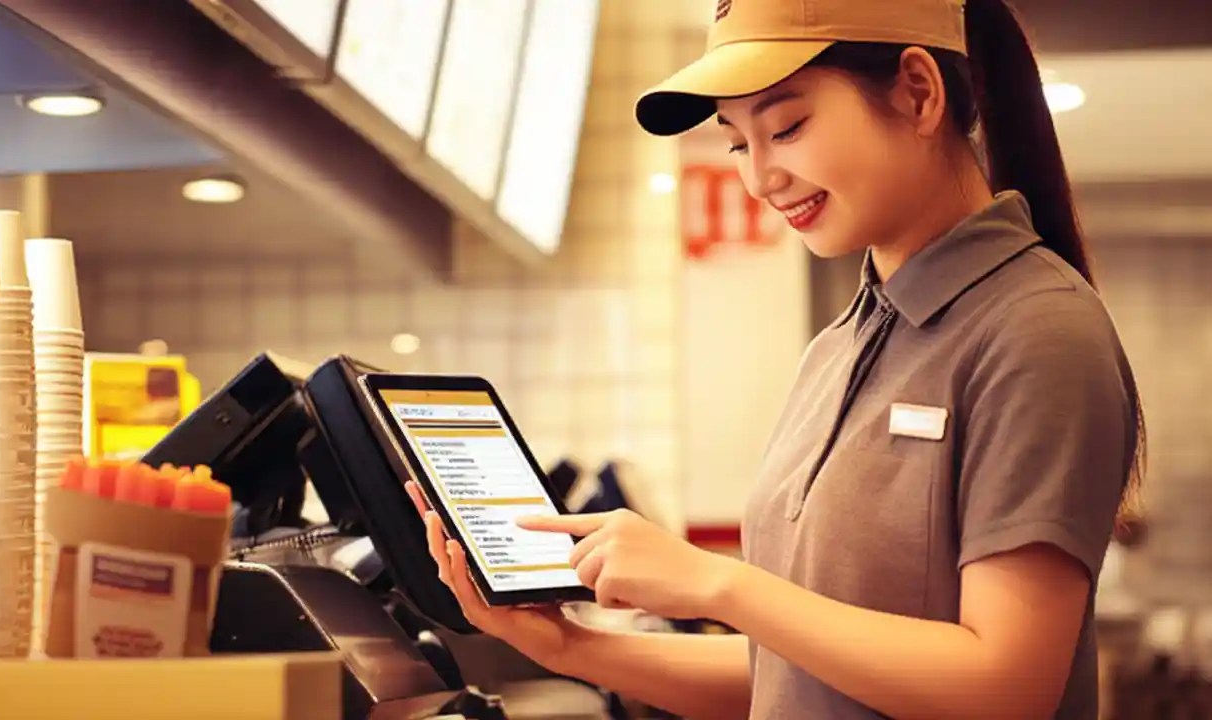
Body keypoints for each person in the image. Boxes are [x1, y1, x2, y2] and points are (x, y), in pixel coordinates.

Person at [406, 0, 1146, 717]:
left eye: (786, 128)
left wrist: (716, 585)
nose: (760, 177)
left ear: (918, 93)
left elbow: (1004, 688)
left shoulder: (1037, 331)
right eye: (737, 142)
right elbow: (793, 677)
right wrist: (568, 646)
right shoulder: (838, 347)